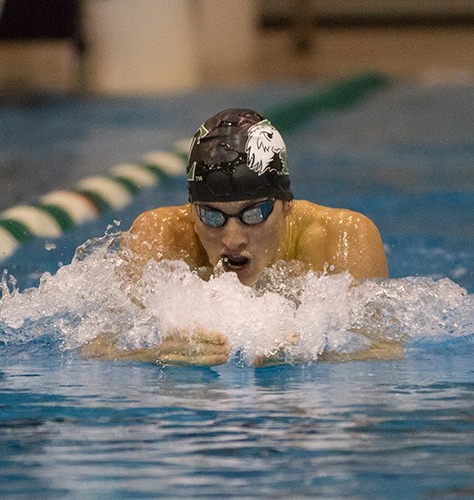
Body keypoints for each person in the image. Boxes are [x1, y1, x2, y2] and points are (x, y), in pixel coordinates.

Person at [82, 108, 391, 366]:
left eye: (253, 214)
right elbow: (98, 348)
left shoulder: (341, 237)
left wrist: (310, 355)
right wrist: (159, 354)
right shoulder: (161, 237)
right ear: (192, 211)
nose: (232, 239)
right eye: (212, 217)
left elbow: (383, 351)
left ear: (286, 205)